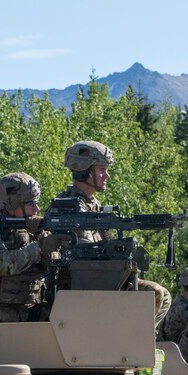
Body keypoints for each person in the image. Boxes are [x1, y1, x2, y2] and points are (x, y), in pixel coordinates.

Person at [48, 140, 171, 329]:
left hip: (101, 279)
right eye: (101, 170)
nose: (107, 175)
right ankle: (130, 340)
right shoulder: (66, 206)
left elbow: (107, 246)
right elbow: (76, 255)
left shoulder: (94, 206)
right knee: (154, 293)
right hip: (79, 286)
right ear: (84, 170)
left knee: (162, 295)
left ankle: (136, 338)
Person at [0, 172, 65, 323]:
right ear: (11, 203)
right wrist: (39, 248)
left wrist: (48, 243)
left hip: (28, 316)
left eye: (37, 203)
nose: (36, 209)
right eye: (30, 204)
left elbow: (54, 267)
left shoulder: (33, 227)